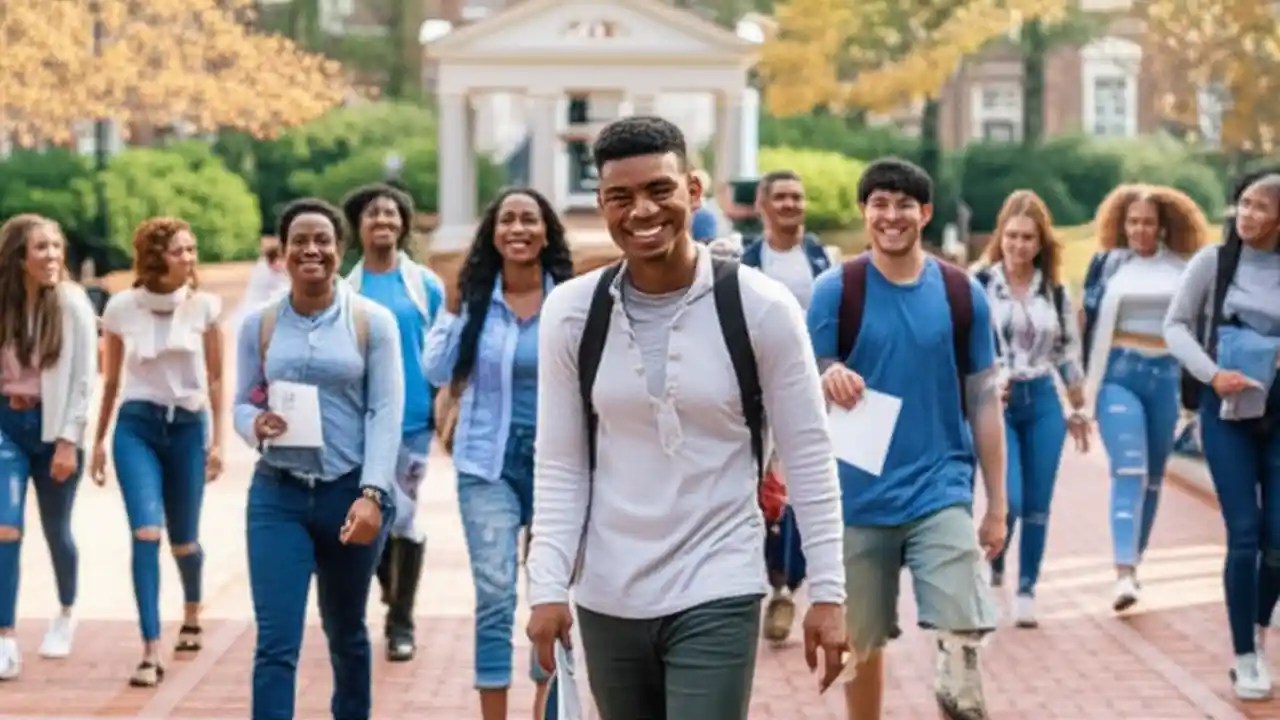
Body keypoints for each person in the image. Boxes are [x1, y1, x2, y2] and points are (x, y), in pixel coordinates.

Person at [526, 116, 848, 720]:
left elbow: (809, 455)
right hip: (608, 591)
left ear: (694, 193)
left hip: (719, 578)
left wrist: (828, 590)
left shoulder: (761, 307)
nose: (641, 211)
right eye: (620, 197)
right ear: (601, 204)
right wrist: (547, 586)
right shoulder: (570, 313)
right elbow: (562, 464)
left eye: (659, 191)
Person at [807, 158, 1006, 720]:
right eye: (879, 204)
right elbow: (806, 374)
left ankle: (959, 683)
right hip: (857, 497)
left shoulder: (961, 293)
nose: (890, 216)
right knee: (860, 647)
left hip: (939, 486)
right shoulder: (836, 289)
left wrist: (997, 507)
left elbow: (984, 401)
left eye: (903, 205)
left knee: (961, 625)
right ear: (865, 211)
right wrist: (827, 374)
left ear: (925, 213)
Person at [233, 198, 402, 720]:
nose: (312, 249)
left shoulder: (373, 322)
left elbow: (385, 410)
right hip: (277, 495)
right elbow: (242, 399)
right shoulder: (258, 325)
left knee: (346, 631)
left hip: (348, 493)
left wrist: (373, 495)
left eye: (322, 240)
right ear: (282, 254)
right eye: (299, 241)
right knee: (276, 642)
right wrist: (252, 426)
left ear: (338, 249)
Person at [424, 187, 573, 720]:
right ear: (492, 234)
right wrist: (454, 307)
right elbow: (436, 370)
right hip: (486, 463)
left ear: (546, 231)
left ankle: (545, 706)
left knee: (554, 593)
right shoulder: (475, 299)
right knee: (494, 591)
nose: (518, 228)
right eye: (507, 219)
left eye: (529, 220)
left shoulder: (569, 298)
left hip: (559, 466)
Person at [89, 218, 225, 686]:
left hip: (188, 428)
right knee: (146, 533)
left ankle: (191, 612)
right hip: (137, 428)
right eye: (179, 250)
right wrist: (99, 441)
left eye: (192, 249)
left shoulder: (205, 307)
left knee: (184, 541)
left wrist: (219, 442)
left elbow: (216, 379)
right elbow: (110, 381)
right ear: (155, 257)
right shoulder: (122, 308)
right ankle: (150, 649)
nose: (189, 258)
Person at [1164, 172, 1280, 700]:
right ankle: (1245, 654)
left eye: (1259, 207)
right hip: (1227, 409)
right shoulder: (1213, 262)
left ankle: (1257, 623)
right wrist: (1213, 374)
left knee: (1278, 540)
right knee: (1245, 532)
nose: (1246, 215)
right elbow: (1176, 325)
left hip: (1278, 410)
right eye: (1243, 204)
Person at [1080, 184, 1208, 612]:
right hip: (1120, 375)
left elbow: (1196, 329)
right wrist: (1085, 395)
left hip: (1165, 378)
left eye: (1147, 222)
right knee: (1129, 470)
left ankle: (1135, 564)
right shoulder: (1108, 266)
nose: (1139, 229)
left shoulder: (1183, 270)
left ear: (1162, 226)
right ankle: (1121, 572)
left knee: (1154, 477)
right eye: (1132, 221)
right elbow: (1090, 329)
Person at [971, 191, 1089, 628]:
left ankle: (1026, 590)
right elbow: (963, 345)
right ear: (1000, 236)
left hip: (1042, 400)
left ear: (1041, 243)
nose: (1019, 245)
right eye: (1012, 236)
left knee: (1038, 503)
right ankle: (996, 558)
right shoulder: (979, 284)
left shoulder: (1055, 290)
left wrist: (1078, 405)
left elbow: (1067, 352)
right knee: (1013, 499)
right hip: (995, 402)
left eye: (1028, 238)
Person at [342, 183, 445, 663]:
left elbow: (441, 349)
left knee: (401, 516)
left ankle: (400, 619)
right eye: (372, 215)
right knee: (376, 515)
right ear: (358, 226)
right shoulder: (347, 289)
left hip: (414, 422)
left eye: (390, 214)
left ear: (403, 224)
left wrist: (445, 406)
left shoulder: (425, 285)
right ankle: (392, 586)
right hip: (361, 424)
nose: (382, 221)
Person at [0, 214, 98, 680]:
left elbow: (83, 379)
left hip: (54, 427)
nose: (54, 256)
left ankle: (64, 611)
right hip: (5, 427)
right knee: (5, 528)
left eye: (57, 247)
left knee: (56, 528)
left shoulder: (74, 303)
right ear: (20, 257)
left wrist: (68, 440)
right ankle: (4, 637)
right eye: (42, 248)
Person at [740, 168, 833, 642]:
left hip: (814, 391)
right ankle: (769, 580)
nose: (790, 204)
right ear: (763, 204)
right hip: (757, 392)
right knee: (762, 491)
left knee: (803, 488)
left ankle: (787, 587)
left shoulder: (823, 261)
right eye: (780, 197)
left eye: (797, 196)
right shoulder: (744, 262)